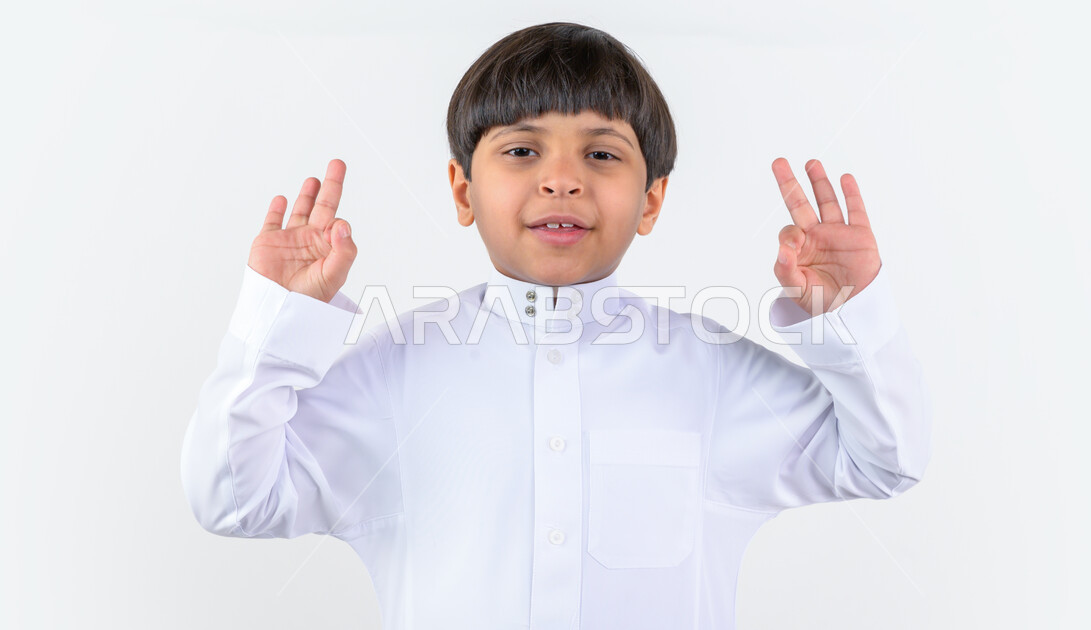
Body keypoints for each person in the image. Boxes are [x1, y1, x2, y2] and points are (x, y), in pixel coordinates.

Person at [180, 21, 931, 629]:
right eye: (521, 150)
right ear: (463, 190)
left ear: (651, 200)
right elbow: (233, 498)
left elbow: (885, 461)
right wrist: (278, 322)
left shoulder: (714, 372)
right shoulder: (392, 374)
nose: (562, 178)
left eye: (601, 153)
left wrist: (849, 316)